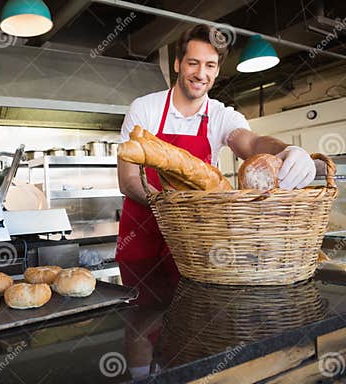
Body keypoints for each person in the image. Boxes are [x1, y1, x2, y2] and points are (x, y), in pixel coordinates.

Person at [116, 24, 316, 305]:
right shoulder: (145, 108)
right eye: (193, 63)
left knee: (194, 319)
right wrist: (169, 206)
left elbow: (252, 143)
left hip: (194, 242)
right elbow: (128, 180)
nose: (201, 73)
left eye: (210, 65)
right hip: (141, 238)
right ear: (177, 64)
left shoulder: (221, 115)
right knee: (141, 323)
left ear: (218, 70)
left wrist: (287, 150)